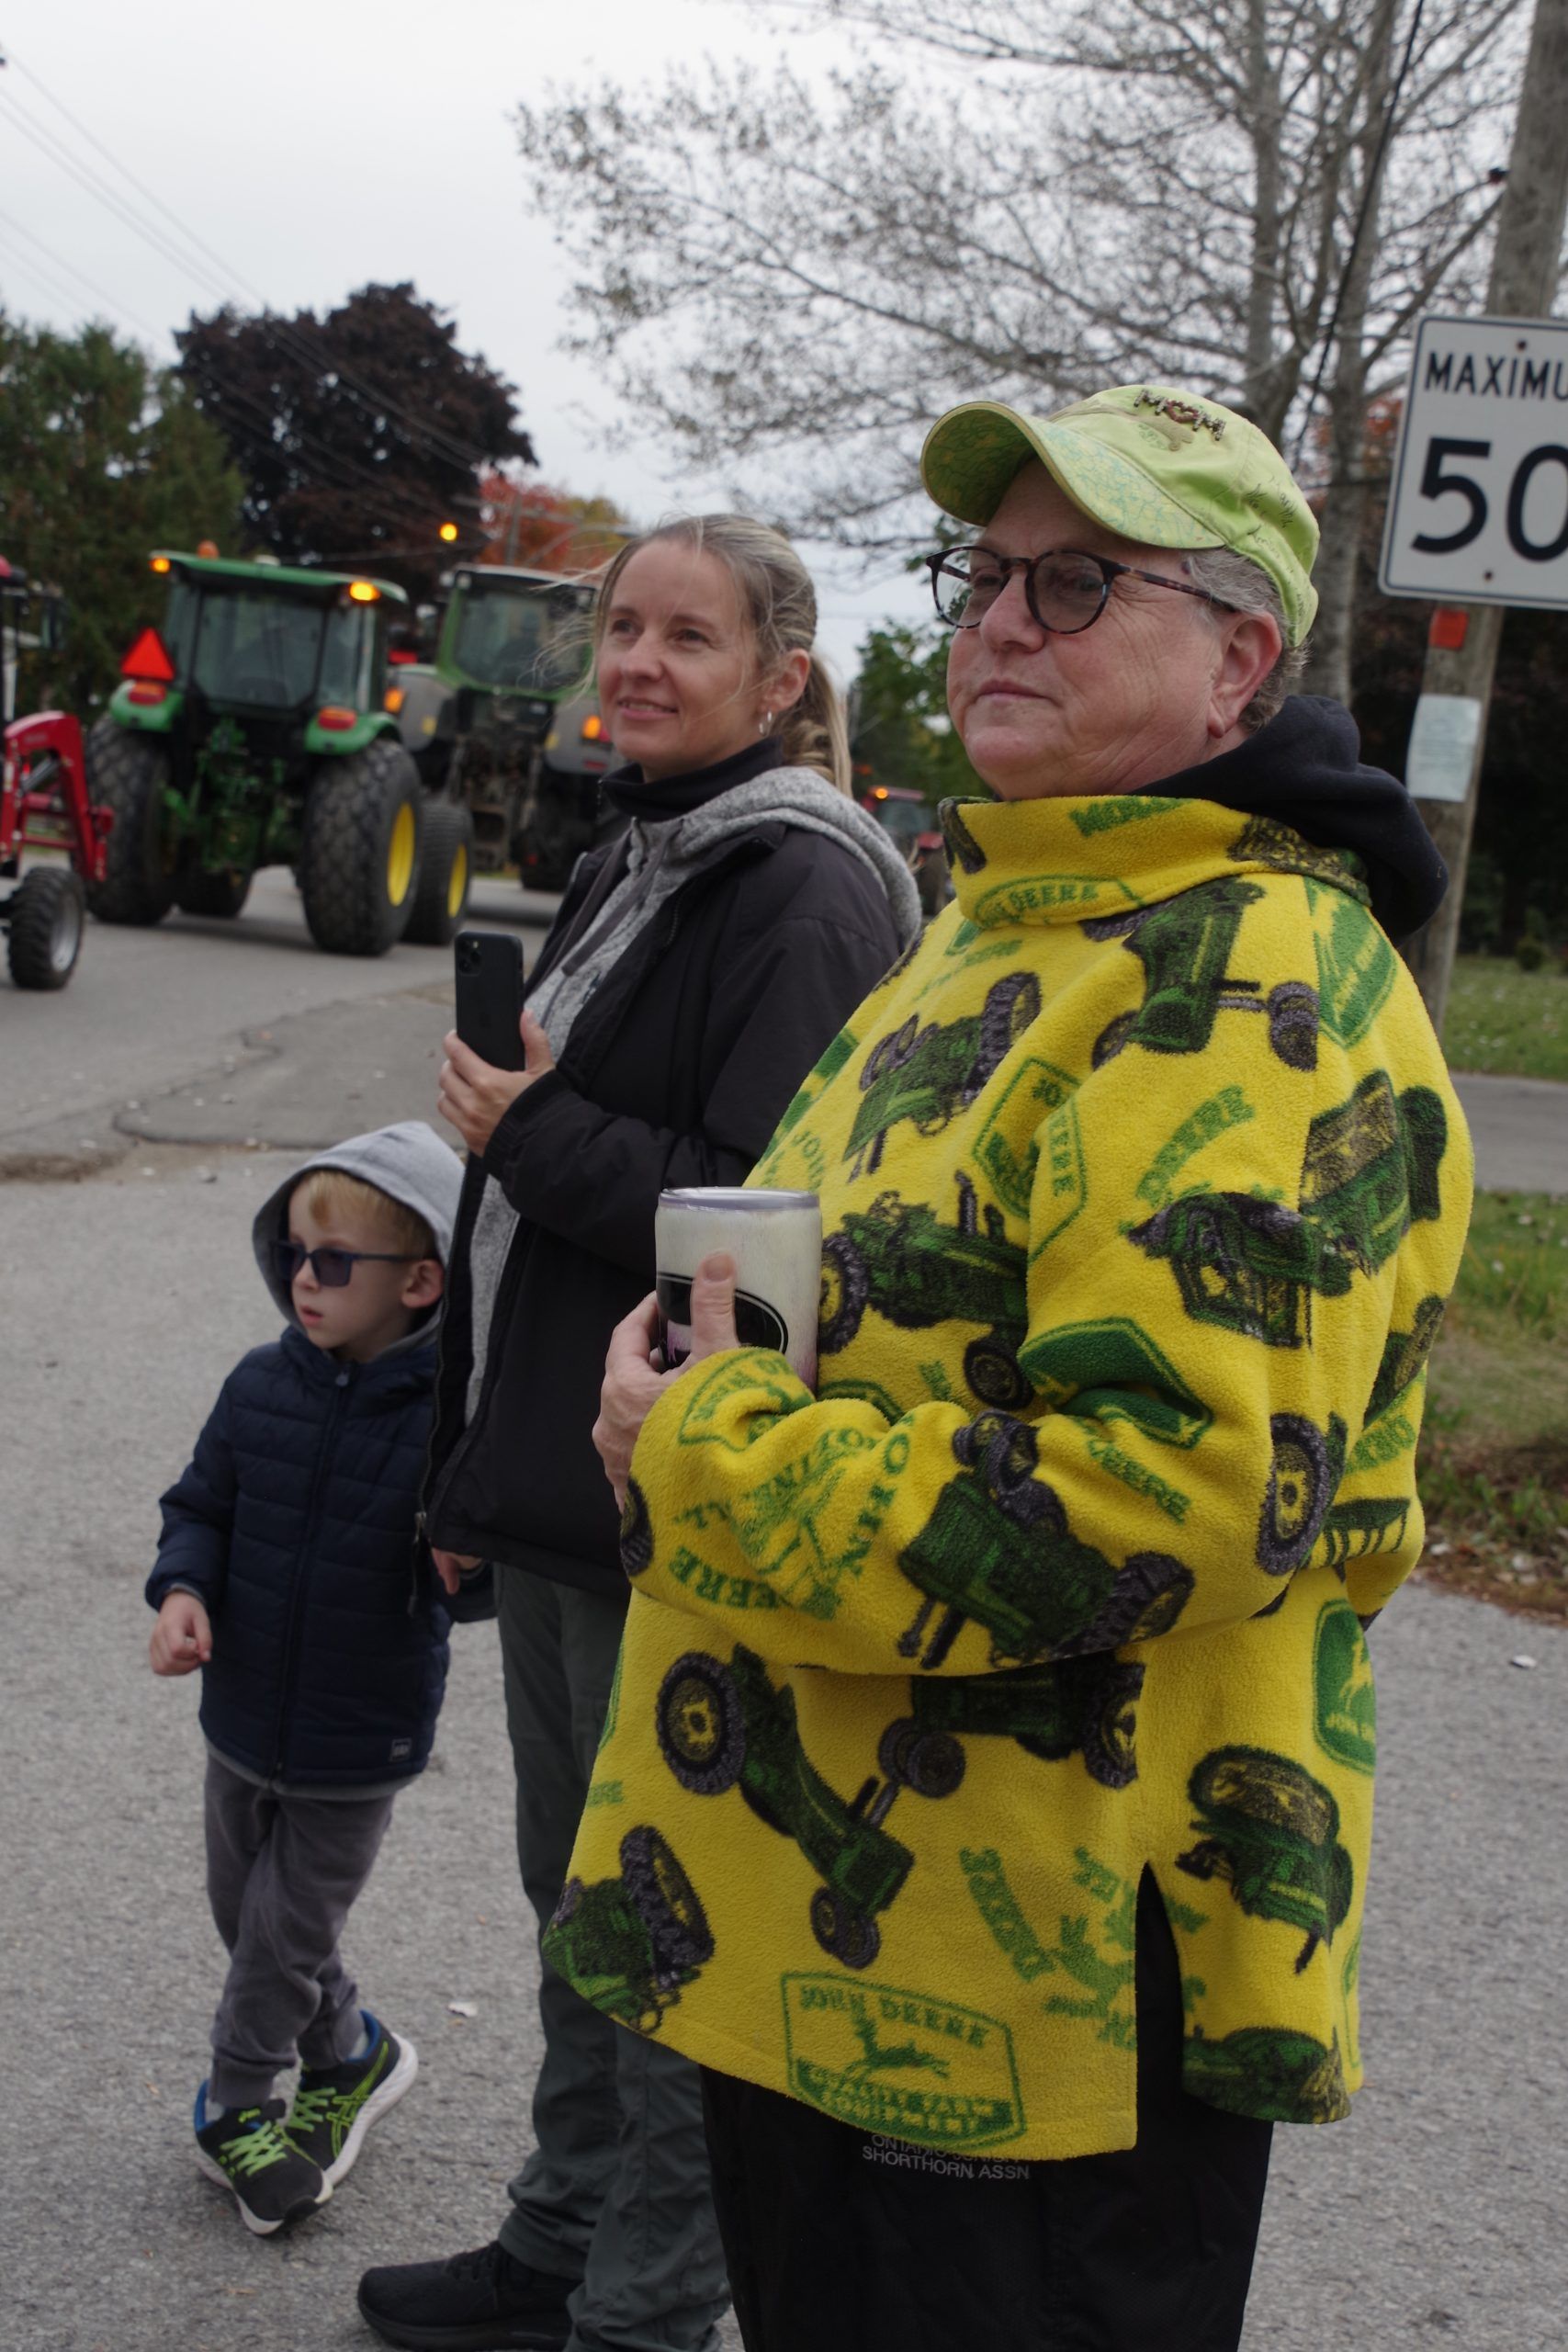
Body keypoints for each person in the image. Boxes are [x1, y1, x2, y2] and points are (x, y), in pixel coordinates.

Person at [570, 387, 1475, 2352]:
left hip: (1030, 1967)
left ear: (1236, 656)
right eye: (983, 573)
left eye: (1076, 583)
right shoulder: (1014, 914)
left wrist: (706, 1452)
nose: (995, 620)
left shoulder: (1244, 974)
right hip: (850, 1918)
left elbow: (1173, 1497)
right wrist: (696, 1368)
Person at [356, 515, 920, 2352]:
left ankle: (648, 2307)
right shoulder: (648, 841)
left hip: (675, 1495)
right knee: (575, 1900)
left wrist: (526, 1130)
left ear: (781, 677)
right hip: (561, 1484)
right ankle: (561, 2241)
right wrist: (469, 1462)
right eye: (622, 628)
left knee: (667, 1919)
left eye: (688, 636)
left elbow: (763, 1231)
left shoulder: (800, 888)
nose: (637, 662)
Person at [146, 1121, 462, 2237]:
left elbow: (476, 1581)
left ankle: (235, 2100)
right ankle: (351, 2050)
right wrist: (183, 1590)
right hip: (239, 1714)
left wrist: (467, 1562)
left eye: (331, 1260)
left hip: (355, 1733)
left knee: (281, 1930)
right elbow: (200, 1506)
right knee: (245, 1911)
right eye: (291, 1254)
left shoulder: (447, 1422)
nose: (303, 1279)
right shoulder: (257, 1385)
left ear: (420, 1282)